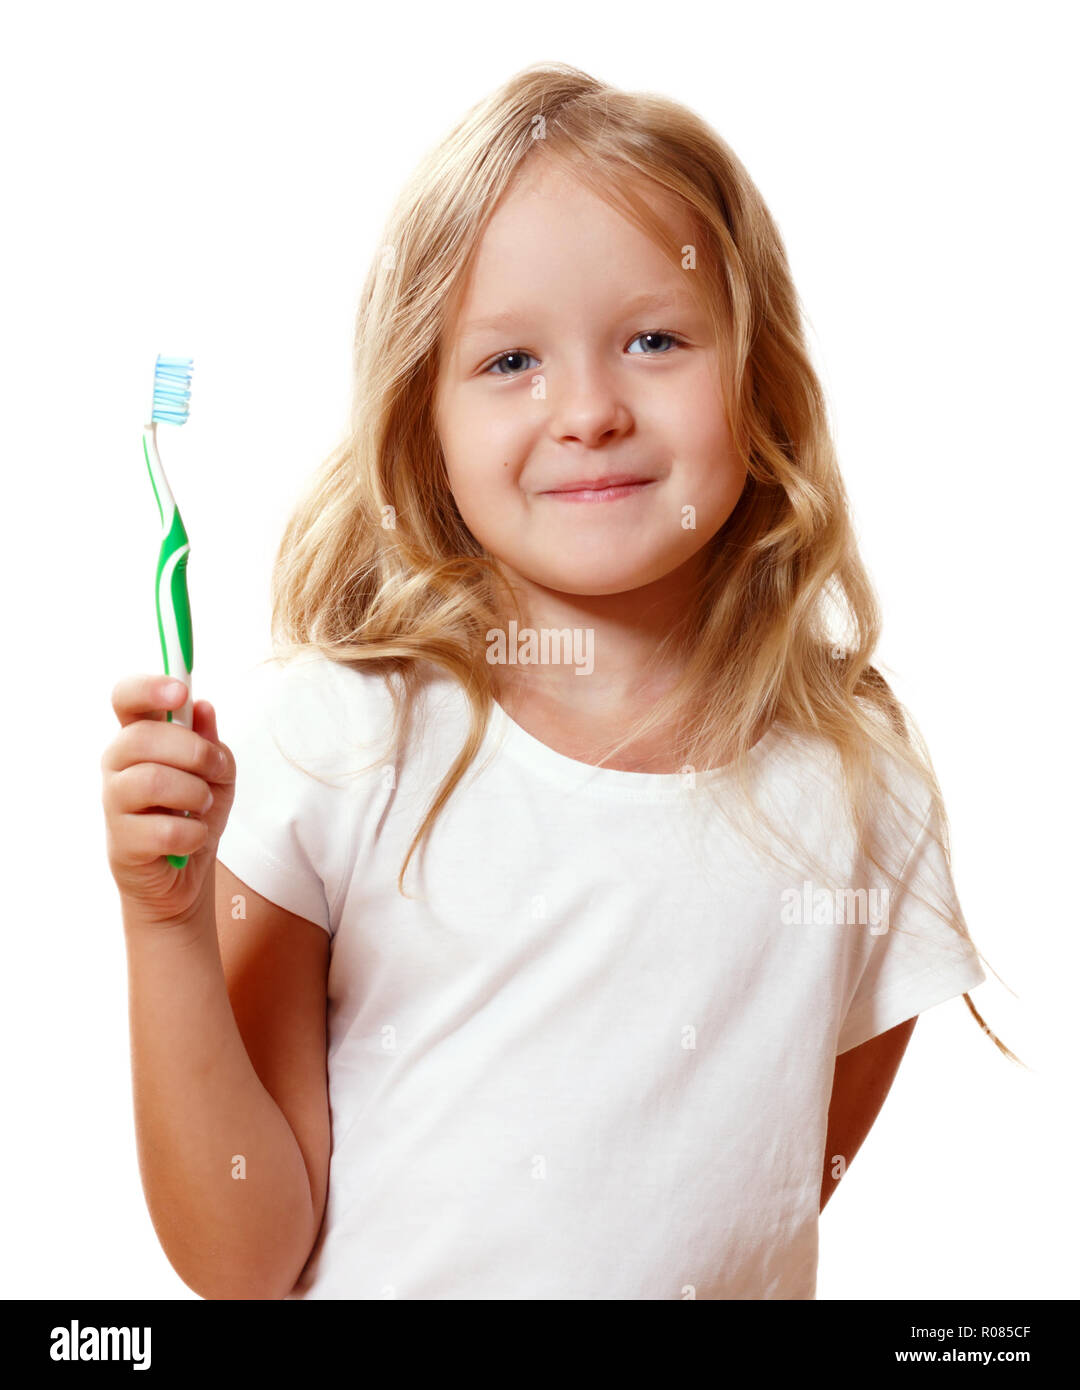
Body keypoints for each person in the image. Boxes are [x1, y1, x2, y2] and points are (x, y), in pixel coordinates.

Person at [102, 61, 1012, 1301]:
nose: (588, 409)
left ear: (758, 381)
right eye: (510, 360)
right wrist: (166, 930)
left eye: (653, 338)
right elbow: (243, 1256)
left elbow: (762, 1200)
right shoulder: (339, 742)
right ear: (425, 423)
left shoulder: (859, 786)